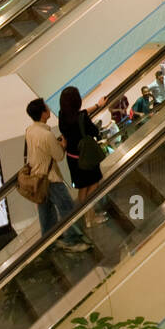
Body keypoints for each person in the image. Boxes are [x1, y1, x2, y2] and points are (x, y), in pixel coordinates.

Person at [24, 98, 90, 251]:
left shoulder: (30, 130)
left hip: (37, 178)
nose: (48, 108)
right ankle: (73, 241)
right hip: (51, 178)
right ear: (43, 113)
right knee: (67, 209)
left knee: (45, 213)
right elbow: (59, 155)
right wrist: (63, 145)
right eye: (46, 107)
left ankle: (49, 243)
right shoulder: (46, 135)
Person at [57, 85, 109, 225]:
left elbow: (80, 114)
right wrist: (98, 107)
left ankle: (88, 216)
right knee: (93, 183)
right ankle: (90, 217)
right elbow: (94, 132)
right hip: (86, 158)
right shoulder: (82, 118)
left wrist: (97, 106)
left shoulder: (62, 115)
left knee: (83, 188)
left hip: (73, 159)